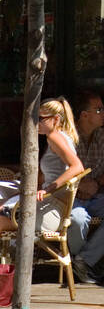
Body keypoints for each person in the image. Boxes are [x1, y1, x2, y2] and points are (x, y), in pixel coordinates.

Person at [0, 99, 86, 261]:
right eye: (35, 118)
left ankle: (9, 269)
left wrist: (47, 190)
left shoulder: (55, 137)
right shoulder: (60, 137)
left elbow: (77, 167)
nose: (36, 123)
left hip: (50, 212)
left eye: (41, 119)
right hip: (51, 208)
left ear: (56, 120)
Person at [68, 91, 104, 284]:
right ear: (84, 115)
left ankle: (83, 260)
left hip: (96, 195)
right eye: (99, 109)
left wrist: (96, 183)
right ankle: (82, 265)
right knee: (77, 219)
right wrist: (79, 186)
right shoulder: (67, 138)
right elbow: (58, 171)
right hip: (70, 196)